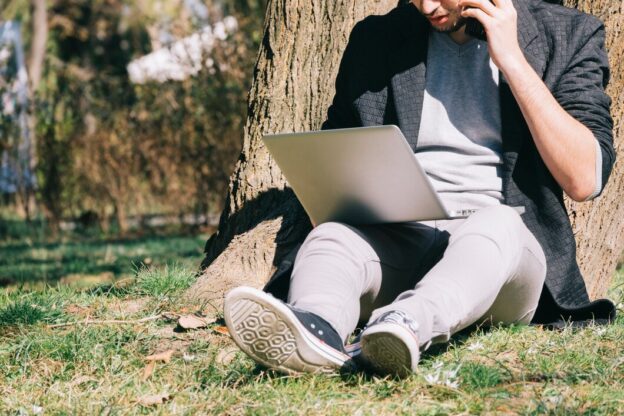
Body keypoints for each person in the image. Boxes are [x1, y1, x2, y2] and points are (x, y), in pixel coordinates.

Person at [223, 0, 616, 377]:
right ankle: (315, 330)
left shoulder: (568, 33)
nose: (427, 7)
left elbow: (584, 179)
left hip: (503, 260)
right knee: (331, 236)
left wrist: (512, 60)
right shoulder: (378, 38)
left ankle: (406, 325)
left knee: (497, 224)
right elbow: (337, 152)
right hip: (405, 240)